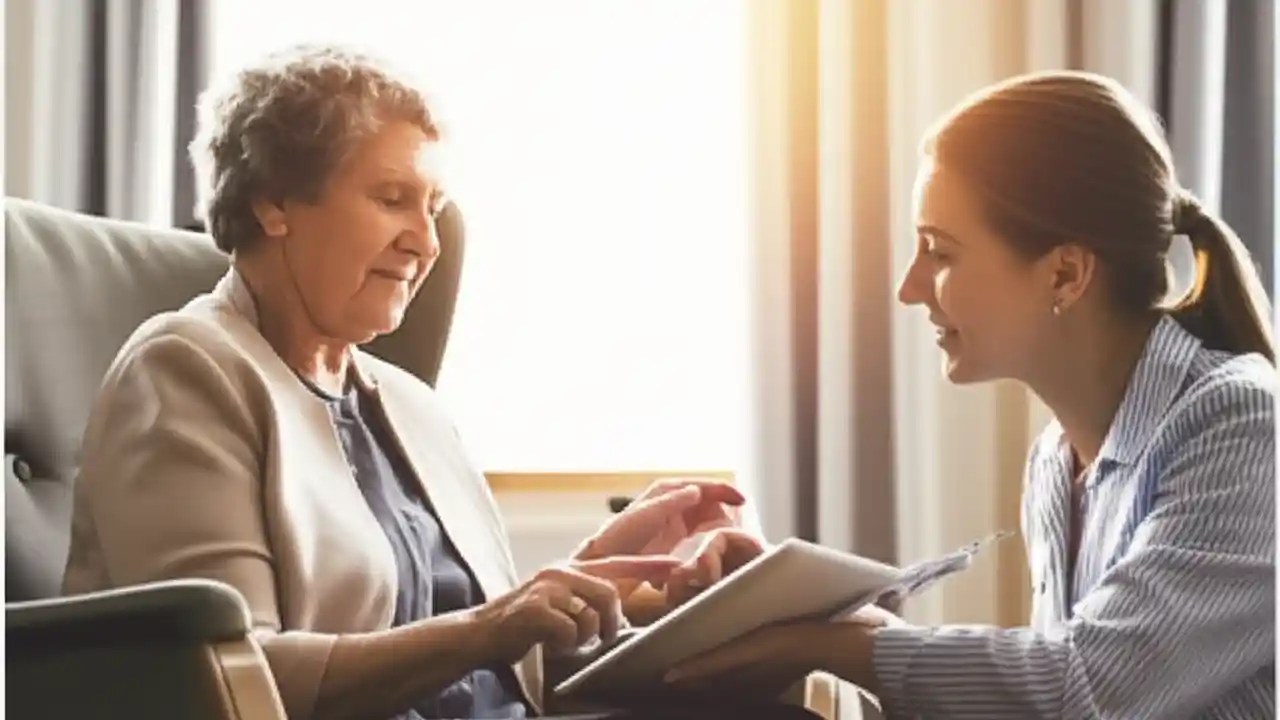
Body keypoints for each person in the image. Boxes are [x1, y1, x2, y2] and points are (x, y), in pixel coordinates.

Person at [61, 45, 778, 720]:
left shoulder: (409, 405)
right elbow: (229, 675)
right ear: (272, 203)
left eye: (432, 209)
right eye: (392, 197)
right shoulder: (186, 370)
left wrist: (620, 577)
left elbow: (491, 647)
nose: (427, 241)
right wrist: (491, 627)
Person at [665, 71, 1276, 717]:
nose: (910, 286)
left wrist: (828, 646)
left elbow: (1089, 689)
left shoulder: (1242, 423)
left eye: (939, 251)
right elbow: (1054, 684)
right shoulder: (1055, 459)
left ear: (1065, 273)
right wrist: (788, 611)